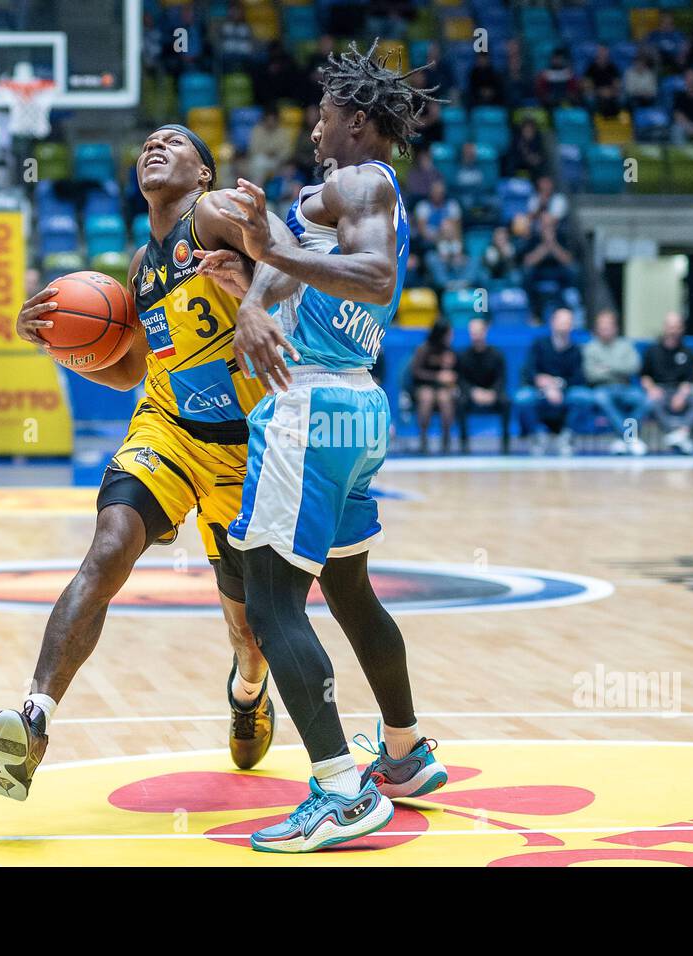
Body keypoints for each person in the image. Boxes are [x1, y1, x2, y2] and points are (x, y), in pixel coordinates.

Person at [0, 125, 294, 801]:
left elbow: (288, 267)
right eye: (147, 141)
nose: (155, 145)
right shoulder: (141, 269)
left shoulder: (211, 216)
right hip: (169, 430)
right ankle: (32, 720)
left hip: (245, 444)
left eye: (175, 141)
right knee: (109, 547)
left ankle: (246, 688)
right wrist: (59, 346)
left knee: (249, 627)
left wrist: (253, 301)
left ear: (203, 174)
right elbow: (128, 374)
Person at [214, 41, 450, 852]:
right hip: (357, 406)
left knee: (273, 599)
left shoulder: (361, 181)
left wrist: (269, 252)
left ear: (354, 121)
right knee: (350, 591)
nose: (313, 130)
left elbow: (377, 276)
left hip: (310, 408)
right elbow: (300, 270)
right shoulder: (340, 194)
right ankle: (404, 754)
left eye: (322, 116)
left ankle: (340, 792)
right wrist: (251, 285)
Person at [517, 307, 589, 454]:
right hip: (539, 391)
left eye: (568, 322)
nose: (564, 325)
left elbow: (579, 378)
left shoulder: (576, 350)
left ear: (572, 325)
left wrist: (558, 385)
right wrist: (543, 384)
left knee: (583, 397)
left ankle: (567, 436)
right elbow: (528, 371)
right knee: (522, 398)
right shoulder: (539, 345)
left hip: (565, 392)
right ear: (552, 323)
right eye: (561, 322)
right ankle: (537, 435)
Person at [583, 309, 648, 455]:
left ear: (615, 327)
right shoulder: (591, 348)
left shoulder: (625, 345)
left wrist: (606, 368)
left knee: (643, 399)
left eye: (608, 325)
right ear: (597, 328)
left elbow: (633, 367)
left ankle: (622, 439)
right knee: (601, 398)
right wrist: (618, 368)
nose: (605, 329)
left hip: (625, 387)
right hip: (602, 388)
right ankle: (629, 437)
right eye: (602, 326)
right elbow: (591, 374)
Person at [640, 311, 693, 454]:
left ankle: (682, 432)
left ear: (682, 328)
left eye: (676, 326)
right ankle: (675, 435)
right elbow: (644, 376)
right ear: (664, 327)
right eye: (670, 326)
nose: (673, 330)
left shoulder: (688, 352)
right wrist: (652, 389)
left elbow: (689, 380)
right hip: (659, 390)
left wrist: (681, 395)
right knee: (651, 402)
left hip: (680, 390)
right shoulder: (652, 350)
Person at [457, 317, 510, 453]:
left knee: (505, 401)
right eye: (473, 332)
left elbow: (501, 379)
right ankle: (464, 444)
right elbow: (461, 380)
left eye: (478, 332)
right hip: (472, 395)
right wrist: (473, 393)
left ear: (485, 332)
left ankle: (505, 444)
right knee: (460, 402)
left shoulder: (497, 355)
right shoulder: (463, 356)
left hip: (493, 394)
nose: (476, 336)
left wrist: (493, 393)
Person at [409, 318, 460, 453]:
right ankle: (423, 438)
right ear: (441, 334)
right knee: (427, 397)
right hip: (423, 386)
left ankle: (446, 438)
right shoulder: (423, 349)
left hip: (443, 389)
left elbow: (457, 373)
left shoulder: (449, 351)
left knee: (445, 398)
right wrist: (437, 377)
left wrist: (450, 370)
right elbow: (416, 372)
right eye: (449, 334)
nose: (451, 336)